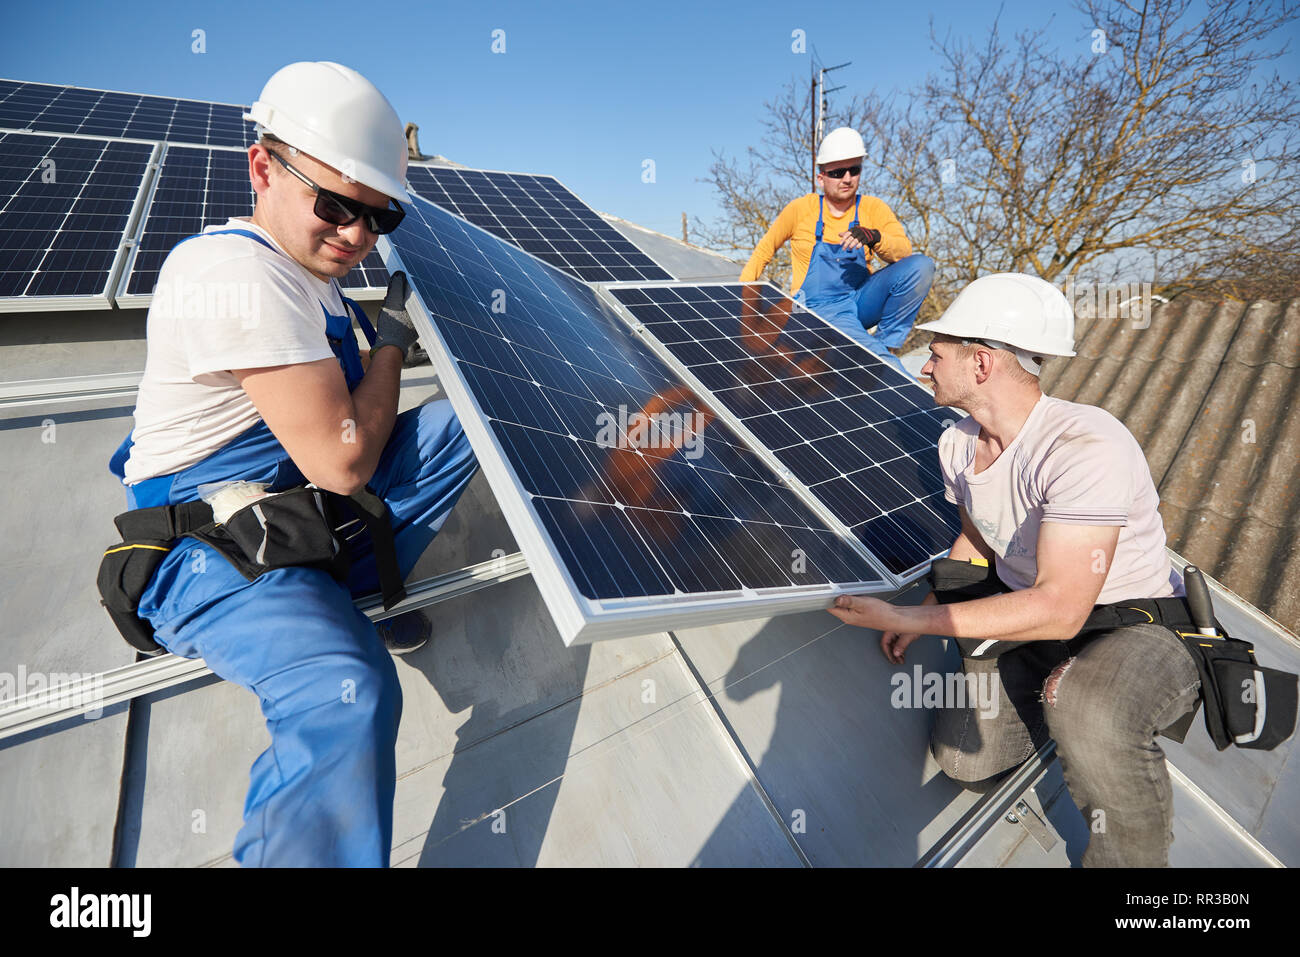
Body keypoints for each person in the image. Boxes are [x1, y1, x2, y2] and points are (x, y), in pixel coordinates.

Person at [107, 62, 478, 866]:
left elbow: (344, 443)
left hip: (290, 510)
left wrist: (379, 349)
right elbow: (345, 460)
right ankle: (337, 630)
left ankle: (356, 592)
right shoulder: (236, 275)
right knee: (348, 693)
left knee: (472, 425)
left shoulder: (316, 283)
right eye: (336, 205)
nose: (356, 236)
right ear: (263, 166)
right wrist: (389, 345)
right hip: (210, 550)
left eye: (380, 219)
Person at [827, 273, 1201, 867]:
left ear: (981, 363)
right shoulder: (958, 443)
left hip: (1136, 626)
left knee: (1089, 710)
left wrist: (905, 617)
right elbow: (980, 535)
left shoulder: (1084, 445)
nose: (924, 366)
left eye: (937, 352)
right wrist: (929, 603)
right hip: (1042, 626)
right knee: (962, 756)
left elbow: (1062, 607)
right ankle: (1064, 698)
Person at [739, 127, 934, 377]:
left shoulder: (874, 208)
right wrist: (745, 315)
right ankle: (887, 366)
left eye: (854, 170)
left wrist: (874, 236)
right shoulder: (801, 209)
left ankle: (887, 344)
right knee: (884, 365)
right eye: (838, 172)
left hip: (861, 298)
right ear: (821, 178)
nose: (847, 178)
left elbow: (903, 253)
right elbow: (762, 253)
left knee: (921, 266)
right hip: (819, 308)